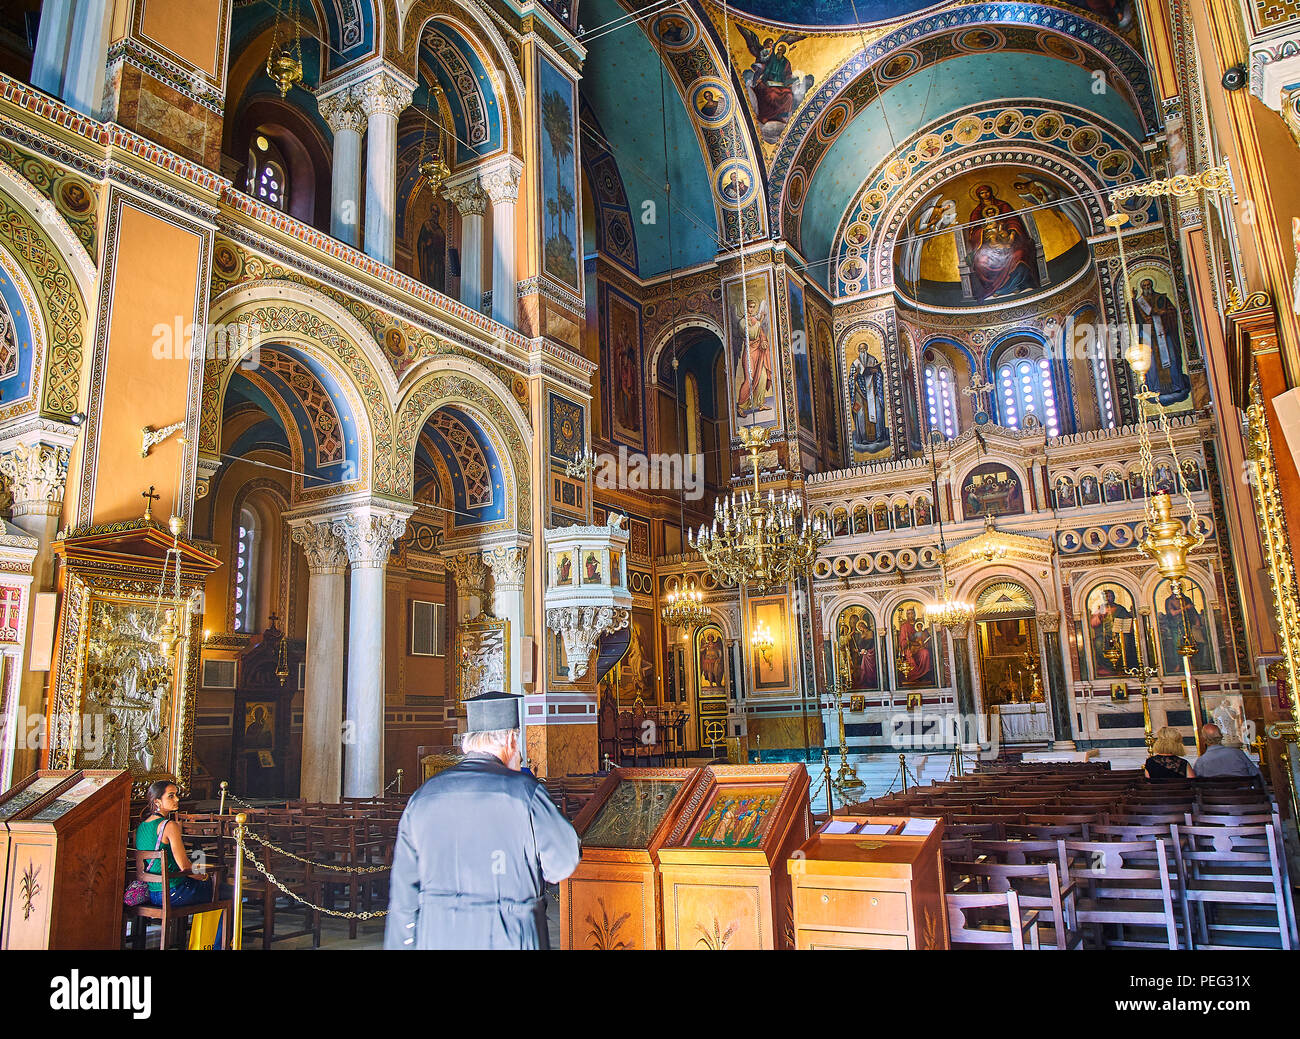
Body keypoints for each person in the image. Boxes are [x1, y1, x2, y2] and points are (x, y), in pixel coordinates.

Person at [384, 691, 580, 949]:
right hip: (510, 935)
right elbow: (562, 864)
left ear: (468, 743)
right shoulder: (526, 793)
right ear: (511, 740)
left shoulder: (423, 797)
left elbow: (403, 897)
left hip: (439, 936)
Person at [134, 779, 215, 907]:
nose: (177, 799)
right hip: (174, 892)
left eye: (176, 795)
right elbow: (185, 867)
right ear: (157, 801)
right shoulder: (169, 825)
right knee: (225, 892)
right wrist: (205, 876)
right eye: (171, 796)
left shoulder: (141, 827)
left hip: (153, 894)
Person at [1193, 723, 1261, 779]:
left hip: (1215, 795)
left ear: (1204, 739)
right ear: (1221, 736)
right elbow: (1257, 775)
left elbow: (1197, 785)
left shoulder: (1200, 762)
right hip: (1243, 794)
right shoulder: (1237, 754)